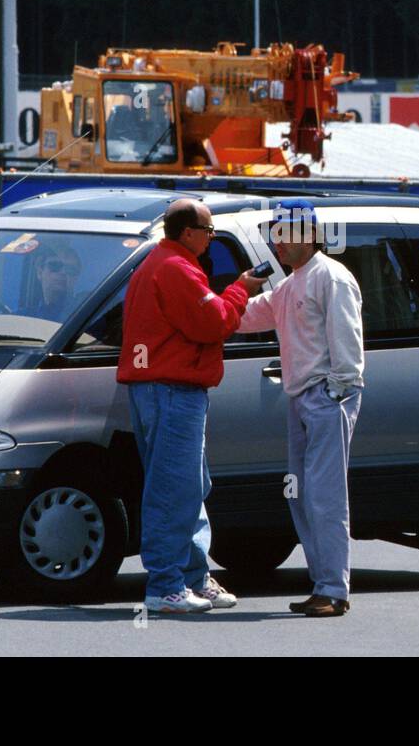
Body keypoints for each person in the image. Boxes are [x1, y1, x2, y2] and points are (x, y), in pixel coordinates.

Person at [116, 198, 266, 613]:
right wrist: (240, 289)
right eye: (208, 229)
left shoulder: (161, 262)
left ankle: (193, 577)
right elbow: (213, 322)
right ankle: (166, 584)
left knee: (188, 486)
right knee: (173, 488)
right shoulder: (177, 267)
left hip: (162, 390)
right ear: (187, 233)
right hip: (173, 391)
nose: (212, 235)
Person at [237, 199, 364, 617]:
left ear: (309, 236)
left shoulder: (331, 277)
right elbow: (244, 318)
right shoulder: (291, 285)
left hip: (327, 398)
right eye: (275, 233)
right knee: (303, 495)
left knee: (325, 496)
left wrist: (336, 390)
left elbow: (347, 342)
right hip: (302, 398)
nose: (279, 242)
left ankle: (333, 588)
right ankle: (323, 584)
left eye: (286, 233)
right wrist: (226, 296)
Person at [21, 244, 84, 320]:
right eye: (55, 265)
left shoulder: (86, 314)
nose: (63, 272)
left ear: (76, 277)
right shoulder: (21, 318)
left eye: (70, 269)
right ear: (40, 272)